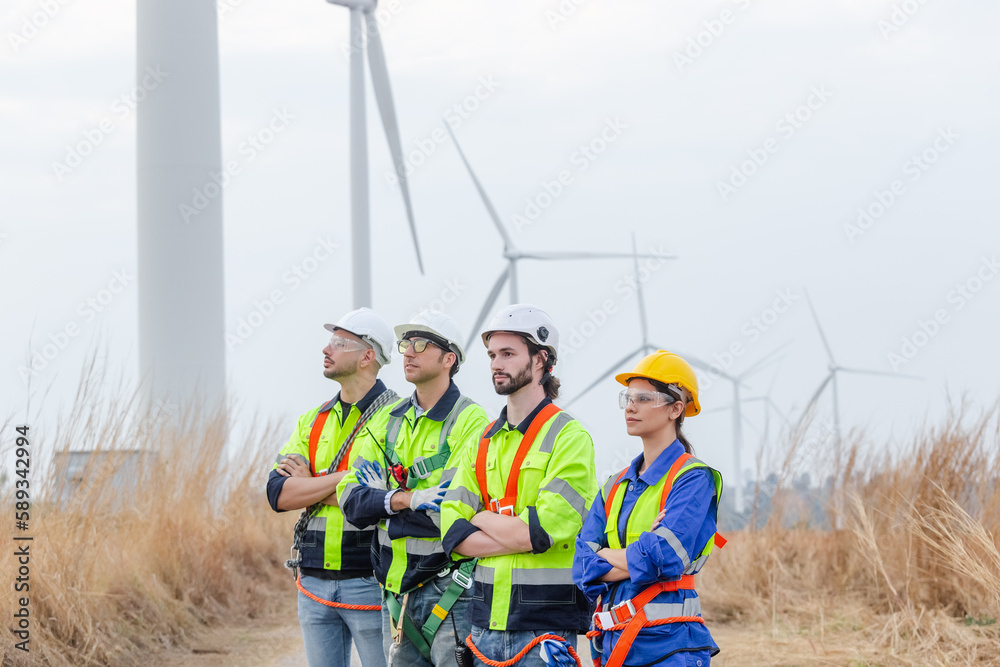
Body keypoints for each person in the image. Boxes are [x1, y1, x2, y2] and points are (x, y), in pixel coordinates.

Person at [441, 304, 598, 667]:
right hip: (482, 628)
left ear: (541, 360)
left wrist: (479, 516)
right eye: (493, 354)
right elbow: (450, 533)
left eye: (508, 354)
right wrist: (511, 530)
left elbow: (540, 532)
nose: (496, 363)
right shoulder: (480, 441)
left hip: (544, 633)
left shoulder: (570, 437)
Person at [339, 311, 490, 666]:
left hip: (450, 589)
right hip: (395, 590)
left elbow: (455, 510)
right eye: (406, 344)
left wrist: (383, 505)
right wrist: (404, 499)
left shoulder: (470, 421)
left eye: (420, 344)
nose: (407, 352)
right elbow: (351, 500)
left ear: (448, 359)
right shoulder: (387, 419)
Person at [573, 351, 724, 667]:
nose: (630, 406)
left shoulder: (693, 479)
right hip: (613, 645)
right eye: (627, 398)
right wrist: (639, 550)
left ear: (676, 409)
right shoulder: (614, 485)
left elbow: (664, 556)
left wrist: (605, 555)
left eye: (644, 398)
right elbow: (582, 566)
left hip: (670, 648)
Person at [266, 308, 399, 667]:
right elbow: (278, 494)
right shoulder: (313, 419)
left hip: (371, 580)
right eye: (330, 341)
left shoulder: (399, 419)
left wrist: (309, 483)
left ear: (367, 356)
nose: (327, 349)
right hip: (312, 581)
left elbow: (383, 498)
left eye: (340, 343)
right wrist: (347, 482)